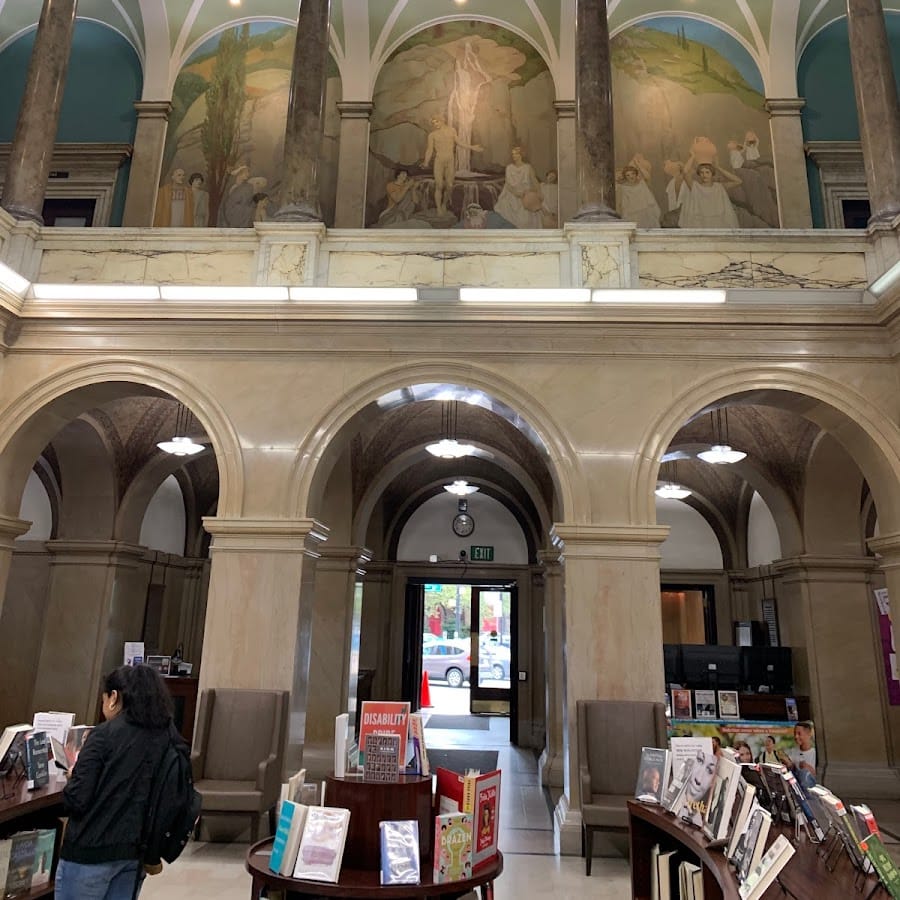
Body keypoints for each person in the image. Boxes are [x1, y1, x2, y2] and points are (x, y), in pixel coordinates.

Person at [56, 664, 186, 900]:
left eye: (104, 699)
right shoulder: (166, 737)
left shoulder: (103, 735)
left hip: (90, 852)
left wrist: (72, 777)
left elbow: (76, 800)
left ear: (114, 697)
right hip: (134, 855)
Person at [422, 115, 483, 216]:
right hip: (439, 161)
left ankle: (444, 204)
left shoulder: (452, 130)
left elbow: (459, 143)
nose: (435, 124)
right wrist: (426, 162)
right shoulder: (432, 135)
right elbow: (429, 150)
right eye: (433, 123)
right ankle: (438, 209)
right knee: (439, 185)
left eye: (436, 121)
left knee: (449, 185)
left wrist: (472, 147)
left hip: (450, 160)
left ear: (442, 120)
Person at [678, 158, 741, 229]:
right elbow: (685, 173)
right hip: (700, 223)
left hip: (717, 222)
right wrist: (692, 157)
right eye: (702, 172)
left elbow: (738, 181)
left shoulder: (719, 187)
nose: (704, 175)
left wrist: (718, 168)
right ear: (699, 174)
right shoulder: (695, 186)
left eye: (707, 172)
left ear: (712, 174)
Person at [493, 146, 543, 229]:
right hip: (512, 195)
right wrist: (516, 193)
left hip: (525, 195)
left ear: (521, 155)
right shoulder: (509, 168)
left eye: (516, 154)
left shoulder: (528, 167)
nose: (514, 156)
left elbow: (534, 181)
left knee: (526, 219)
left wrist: (539, 192)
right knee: (506, 215)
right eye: (513, 154)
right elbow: (508, 184)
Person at [674, 748, 717, 826]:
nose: (698, 779)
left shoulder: (699, 821)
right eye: (699, 760)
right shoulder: (670, 801)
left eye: (709, 770)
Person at [616, 154, 661, 228]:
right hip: (633, 214)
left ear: (636, 174)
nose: (631, 176)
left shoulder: (642, 183)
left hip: (646, 212)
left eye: (633, 174)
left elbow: (647, 176)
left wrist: (637, 164)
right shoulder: (624, 188)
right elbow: (624, 205)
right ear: (625, 177)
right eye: (628, 175)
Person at [217, 164, 256, 228]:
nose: (248, 174)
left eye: (248, 172)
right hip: (228, 214)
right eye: (246, 172)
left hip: (242, 216)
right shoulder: (230, 187)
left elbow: (249, 203)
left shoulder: (249, 187)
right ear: (239, 173)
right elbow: (225, 203)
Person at [787, 722, 817, 788]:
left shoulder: (816, 753)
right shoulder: (793, 752)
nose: (796, 736)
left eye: (799, 734)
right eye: (795, 733)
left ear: (809, 734)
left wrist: (807, 768)